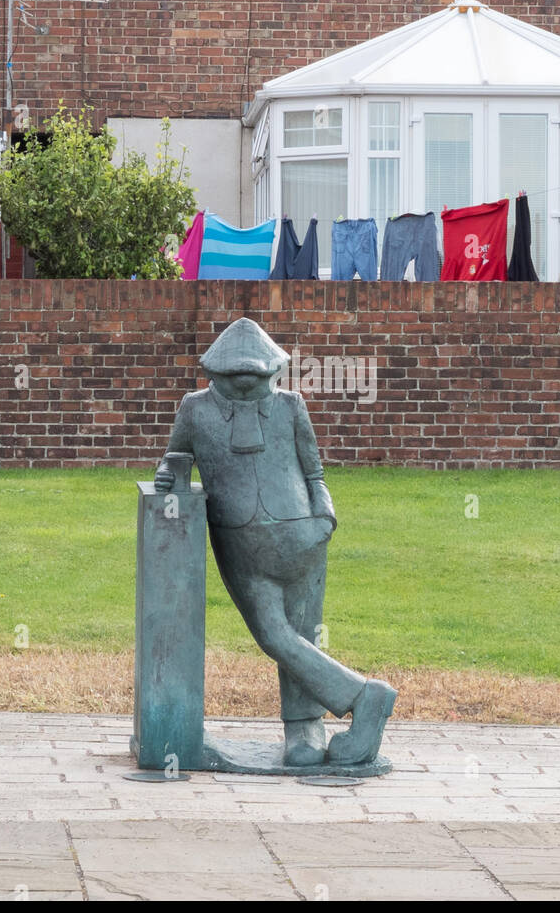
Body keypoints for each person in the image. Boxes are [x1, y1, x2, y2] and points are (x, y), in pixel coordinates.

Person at [154, 318, 397, 766]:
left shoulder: (290, 406)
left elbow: (314, 470)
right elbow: (172, 461)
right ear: (215, 374)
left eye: (258, 378)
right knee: (275, 635)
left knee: (300, 630)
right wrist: (168, 476)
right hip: (240, 541)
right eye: (235, 379)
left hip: (302, 533)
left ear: (273, 373)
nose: (247, 387)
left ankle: (307, 730)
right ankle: (364, 697)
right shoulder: (195, 409)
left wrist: (325, 514)